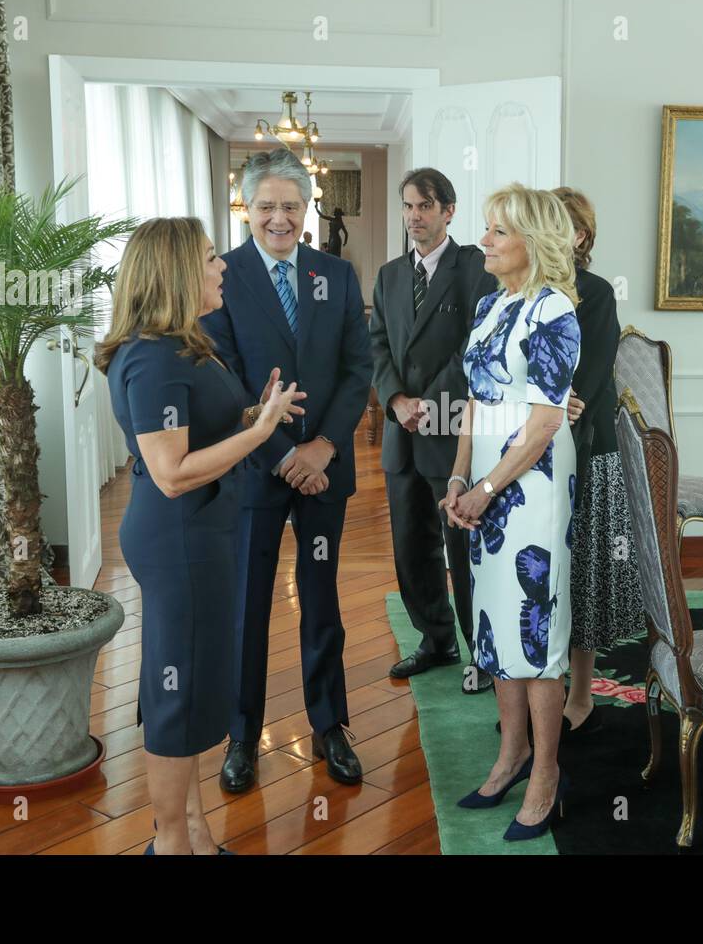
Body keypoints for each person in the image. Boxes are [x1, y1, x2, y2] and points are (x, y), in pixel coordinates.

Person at [96, 217, 305, 855]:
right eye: (212, 258)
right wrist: (262, 430)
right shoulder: (154, 359)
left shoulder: (184, 345)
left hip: (203, 535)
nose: (222, 268)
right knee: (175, 692)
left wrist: (250, 411)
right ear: (178, 272)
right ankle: (169, 844)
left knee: (188, 687)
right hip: (180, 539)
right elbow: (172, 473)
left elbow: (201, 429)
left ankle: (195, 832)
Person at [201, 149, 373, 791]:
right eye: (267, 206)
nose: (279, 218)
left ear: (307, 210)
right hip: (254, 471)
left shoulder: (338, 274)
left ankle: (331, 724)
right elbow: (223, 378)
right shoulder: (222, 274)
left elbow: (360, 369)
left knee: (323, 598)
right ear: (248, 207)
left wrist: (323, 447)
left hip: (325, 470)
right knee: (247, 604)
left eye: (291, 207)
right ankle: (241, 736)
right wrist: (280, 452)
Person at [443, 184, 581, 840]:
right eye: (488, 229)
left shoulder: (554, 310)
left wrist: (488, 488)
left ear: (535, 241)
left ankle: (547, 773)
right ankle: (511, 753)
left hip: (533, 486)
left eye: (499, 231)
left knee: (536, 633)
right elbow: (475, 401)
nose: (485, 240)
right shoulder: (490, 302)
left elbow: (546, 422)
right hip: (487, 484)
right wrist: (458, 475)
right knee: (495, 624)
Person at [370, 167, 498, 692]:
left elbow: (475, 344)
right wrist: (396, 399)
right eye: (407, 206)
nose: (414, 216)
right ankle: (436, 638)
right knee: (410, 547)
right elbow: (376, 344)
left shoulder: (474, 269)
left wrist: (429, 400)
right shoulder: (389, 276)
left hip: (452, 434)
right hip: (403, 433)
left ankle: (481, 653)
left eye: (425, 206)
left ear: (449, 211)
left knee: (461, 551)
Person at [552, 187, 644, 736]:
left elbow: (585, 382)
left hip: (587, 449)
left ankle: (581, 694)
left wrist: (552, 408)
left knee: (584, 574)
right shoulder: (522, 288)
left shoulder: (596, 292)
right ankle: (541, 688)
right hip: (528, 450)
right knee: (544, 576)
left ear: (581, 237)